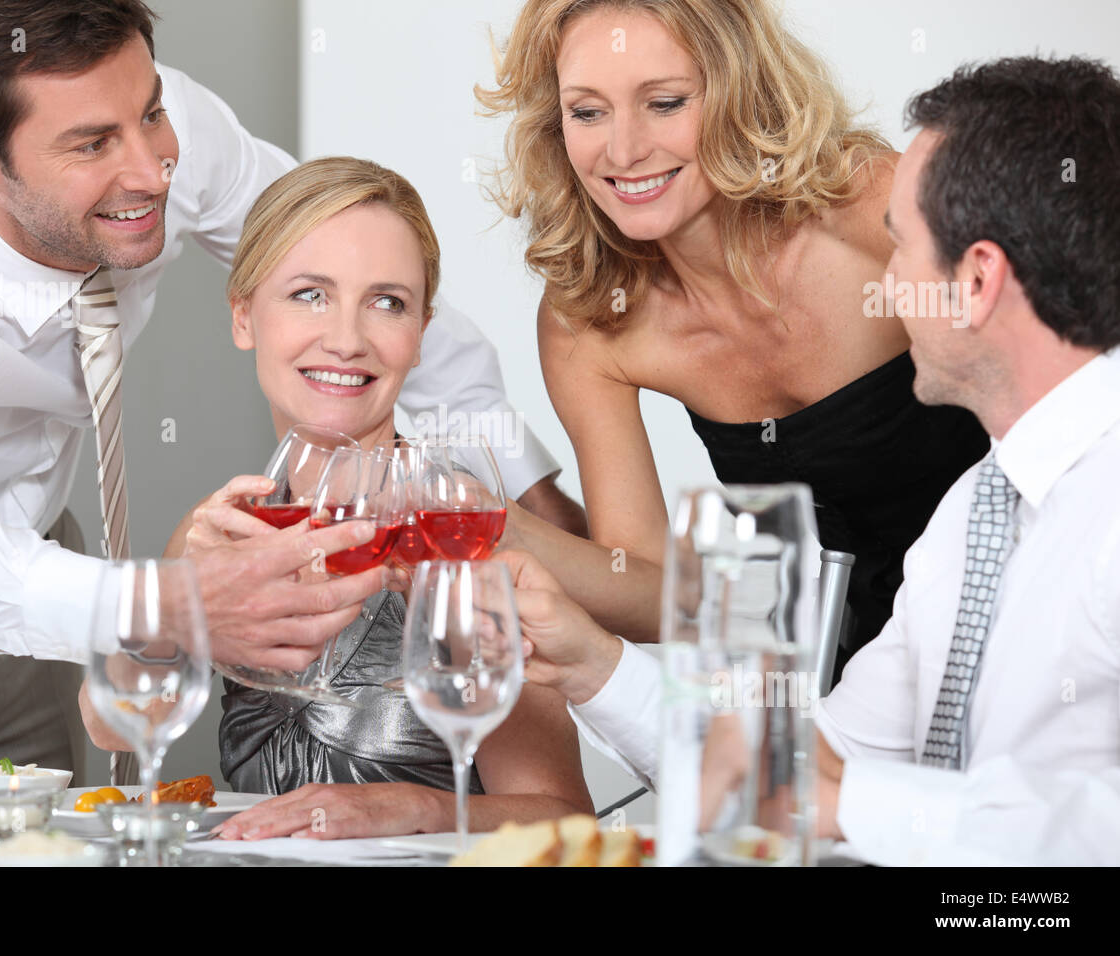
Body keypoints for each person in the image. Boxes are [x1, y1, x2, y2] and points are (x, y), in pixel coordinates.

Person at [0, 0, 579, 787]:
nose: (153, 171)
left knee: (32, 841)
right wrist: (173, 606)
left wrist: (531, 501)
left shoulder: (158, 129)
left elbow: (360, 246)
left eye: (150, 114)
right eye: (92, 145)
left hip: (50, 567)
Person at [497, 55, 1120, 866]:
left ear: (975, 280)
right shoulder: (974, 516)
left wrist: (850, 806)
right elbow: (792, 770)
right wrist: (591, 664)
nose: (883, 288)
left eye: (900, 250)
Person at [84, 157, 593, 838]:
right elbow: (110, 724)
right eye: (309, 294)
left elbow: (564, 817)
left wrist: (413, 808)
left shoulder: (456, 534)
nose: (347, 340)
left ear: (418, 337)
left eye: (388, 303)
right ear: (243, 317)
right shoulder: (225, 530)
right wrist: (183, 602)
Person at [475, 0, 989, 672]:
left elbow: (1065, 384)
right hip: (844, 679)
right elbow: (654, 586)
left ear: (740, 89)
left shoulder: (876, 205)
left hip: (1019, 614)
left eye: (664, 103)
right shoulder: (588, 316)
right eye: (588, 111)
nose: (624, 151)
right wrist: (496, 531)